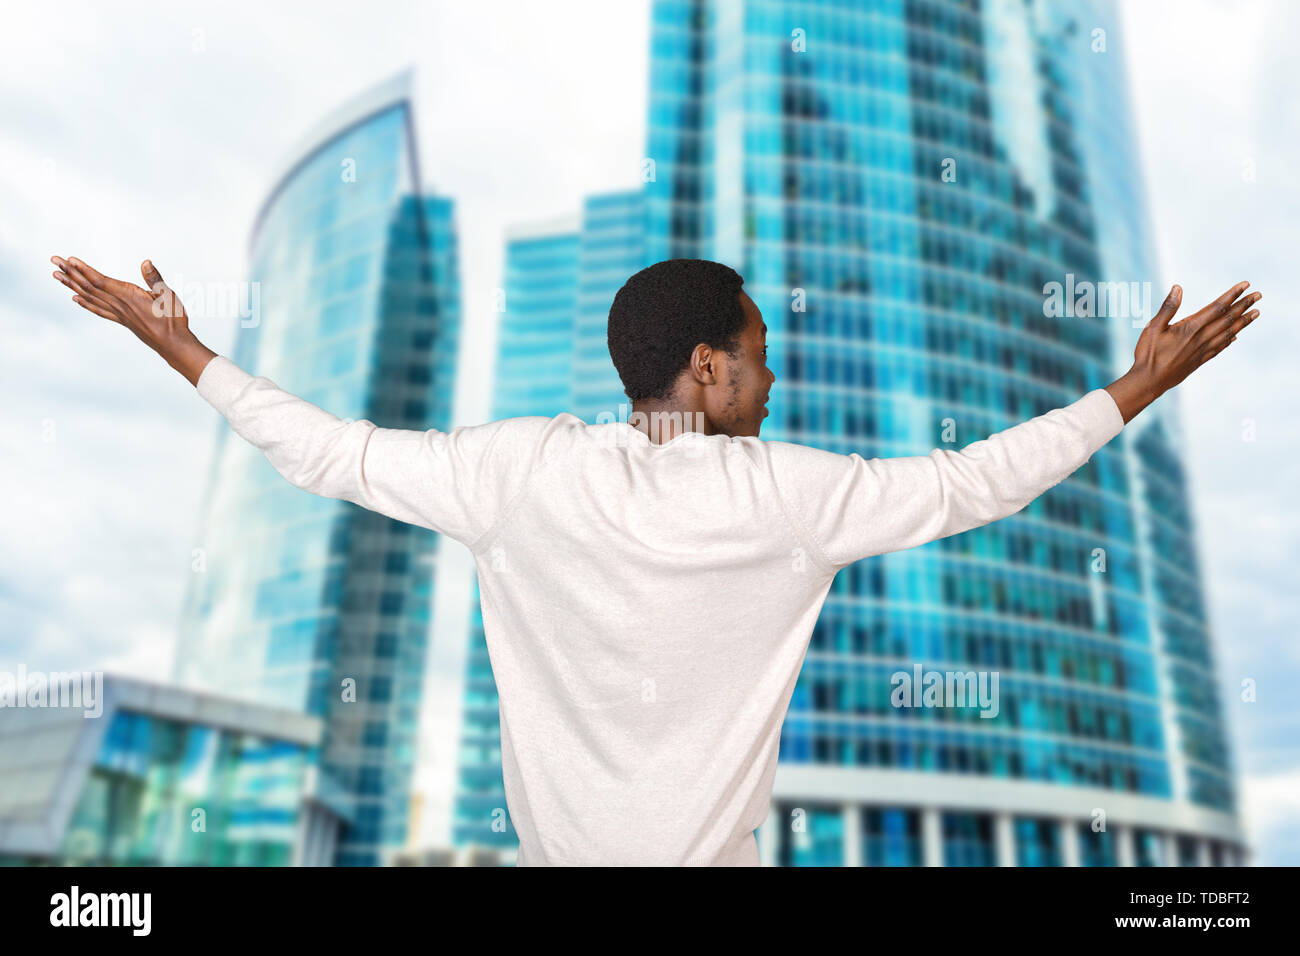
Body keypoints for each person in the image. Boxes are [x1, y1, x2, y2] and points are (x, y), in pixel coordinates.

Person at [50, 255, 1260, 866]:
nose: (773, 375)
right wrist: (1137, 386)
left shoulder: (518, 470)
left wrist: (187, 350)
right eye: (760, 351)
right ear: (706, 365)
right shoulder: (786, 493)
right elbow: (972, 483)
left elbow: (328, 452)